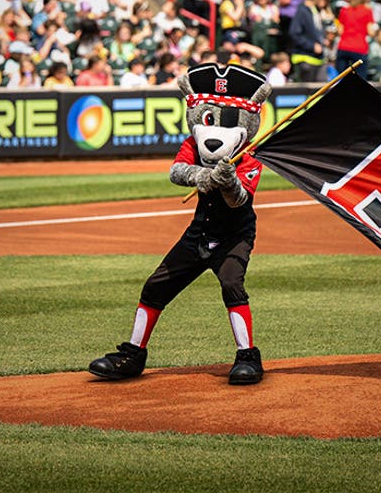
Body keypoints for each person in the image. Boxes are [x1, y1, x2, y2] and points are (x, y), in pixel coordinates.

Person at [88, 63, 272, 386]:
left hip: (235, 236)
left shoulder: (250, 156)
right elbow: (176, 172)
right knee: (156, 285)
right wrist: (203, 176)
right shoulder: (194, 146)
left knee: (231, 284)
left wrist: (228, 182)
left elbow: (239, 200)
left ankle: (248, 357)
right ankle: (133, 354)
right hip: (199, 232)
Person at [288, 0, 328, 82]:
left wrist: (323, 40)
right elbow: (294, 33)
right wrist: (312, 46)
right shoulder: (302, 11)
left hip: (318, 60)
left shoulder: (314, 11)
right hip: (305, 59)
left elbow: (315, 31)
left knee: (321, 92)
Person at [335, 0, 375, 78]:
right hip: (359, 48)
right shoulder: (367, 11)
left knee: (341, 78)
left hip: (343, 47)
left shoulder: (344, 10)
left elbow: (340, 31)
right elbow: (371, 31)